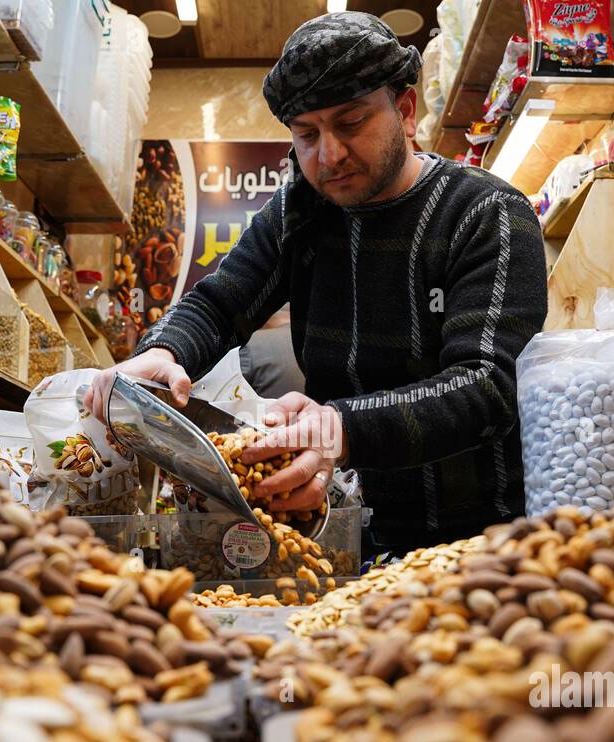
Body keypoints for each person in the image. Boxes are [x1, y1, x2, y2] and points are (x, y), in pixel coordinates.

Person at [87, 11, 547, 557]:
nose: (329, 155)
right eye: (307, 134)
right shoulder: (298, 211)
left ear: (404, 110)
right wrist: (163, 352)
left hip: (481, 538)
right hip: (346, 531)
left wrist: (340, 427)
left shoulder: (487, 212)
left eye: (350, 123)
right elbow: (219, 304)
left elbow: (486, 386)